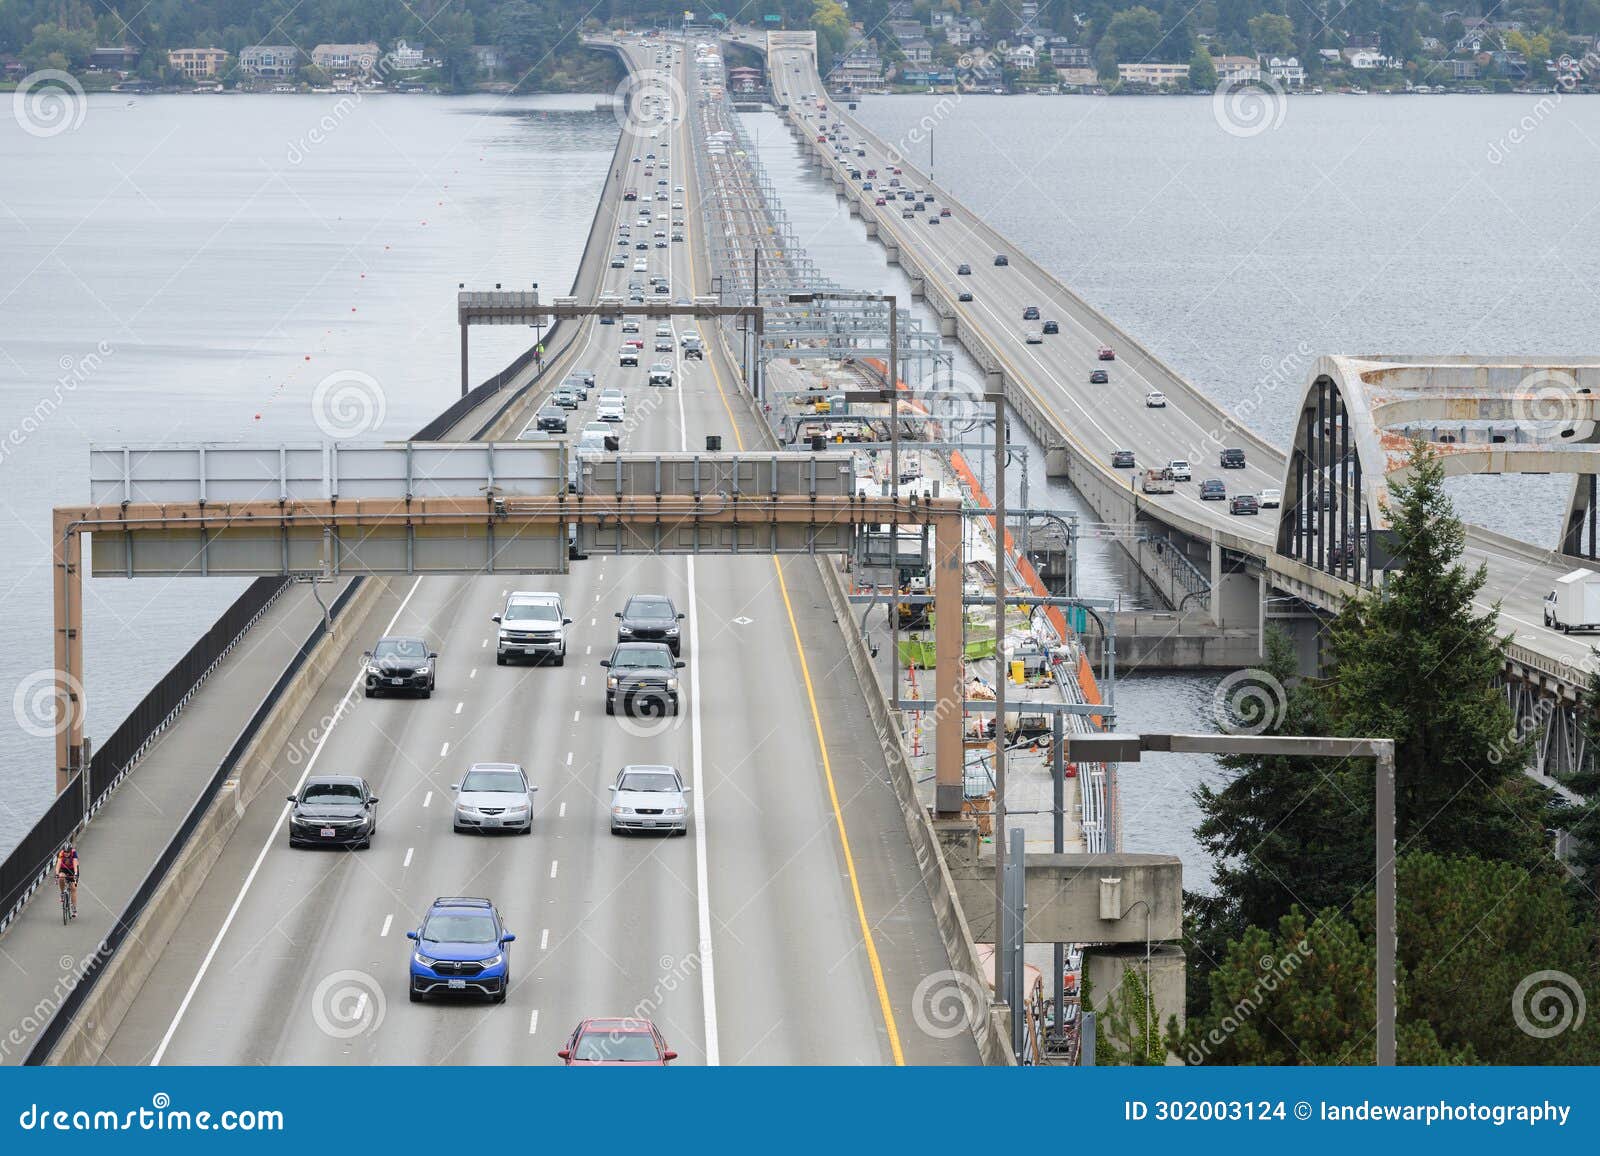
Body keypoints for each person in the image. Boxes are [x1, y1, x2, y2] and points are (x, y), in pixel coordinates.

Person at [56, 843, 78, 919]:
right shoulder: (61, 853)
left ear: (70, 851)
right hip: (63, 869)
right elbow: (58, 864)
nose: (66, 854)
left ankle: (74, 908)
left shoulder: (74, 853)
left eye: (68, 852)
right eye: (65, 852)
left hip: (72, 869)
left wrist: (75, 873)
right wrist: (56, 874)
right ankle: (62, 893)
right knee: (61, 877)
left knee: (73, 888)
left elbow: (75, 863)